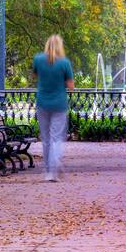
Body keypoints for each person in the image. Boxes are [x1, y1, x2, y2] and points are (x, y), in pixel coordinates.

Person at [32, 35, 74, 182]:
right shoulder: (64, 63)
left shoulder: (38, 59)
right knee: (56, 138)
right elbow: (71, 86)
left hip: (42, 102)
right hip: (59, 104)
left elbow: (35, 75)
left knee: (46, 139)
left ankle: (49, 171)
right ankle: (54, 165)